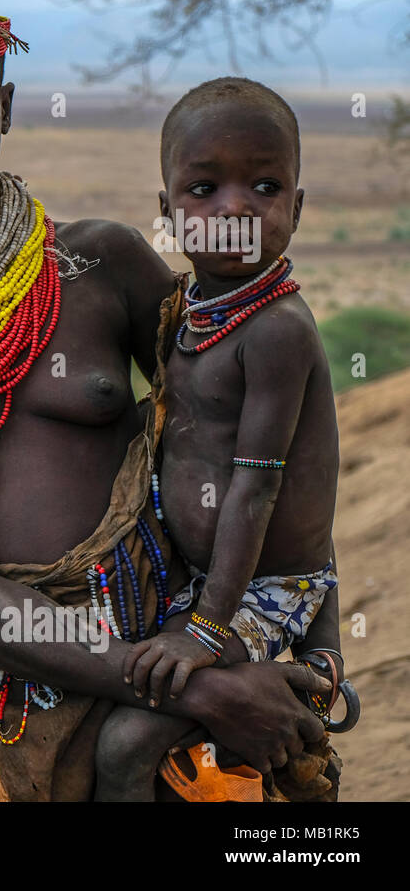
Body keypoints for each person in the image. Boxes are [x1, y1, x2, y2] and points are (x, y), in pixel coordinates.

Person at [0, 0, 332, 801]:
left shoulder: (102, 265)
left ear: (7, 107)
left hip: (174, 640)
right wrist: (180, 682)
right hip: (14, 697)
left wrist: (314, 649)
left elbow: (255, 443)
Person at [94, 78, 344, 800]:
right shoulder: (189, 311)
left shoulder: (277, 331)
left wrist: (205, 631)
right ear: (168, 214)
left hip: (258, 593)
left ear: (296, 208)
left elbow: (256, 488)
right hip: (203, 585)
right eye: (204, 189)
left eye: (264, 185)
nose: (235, 207)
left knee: (128, 739)